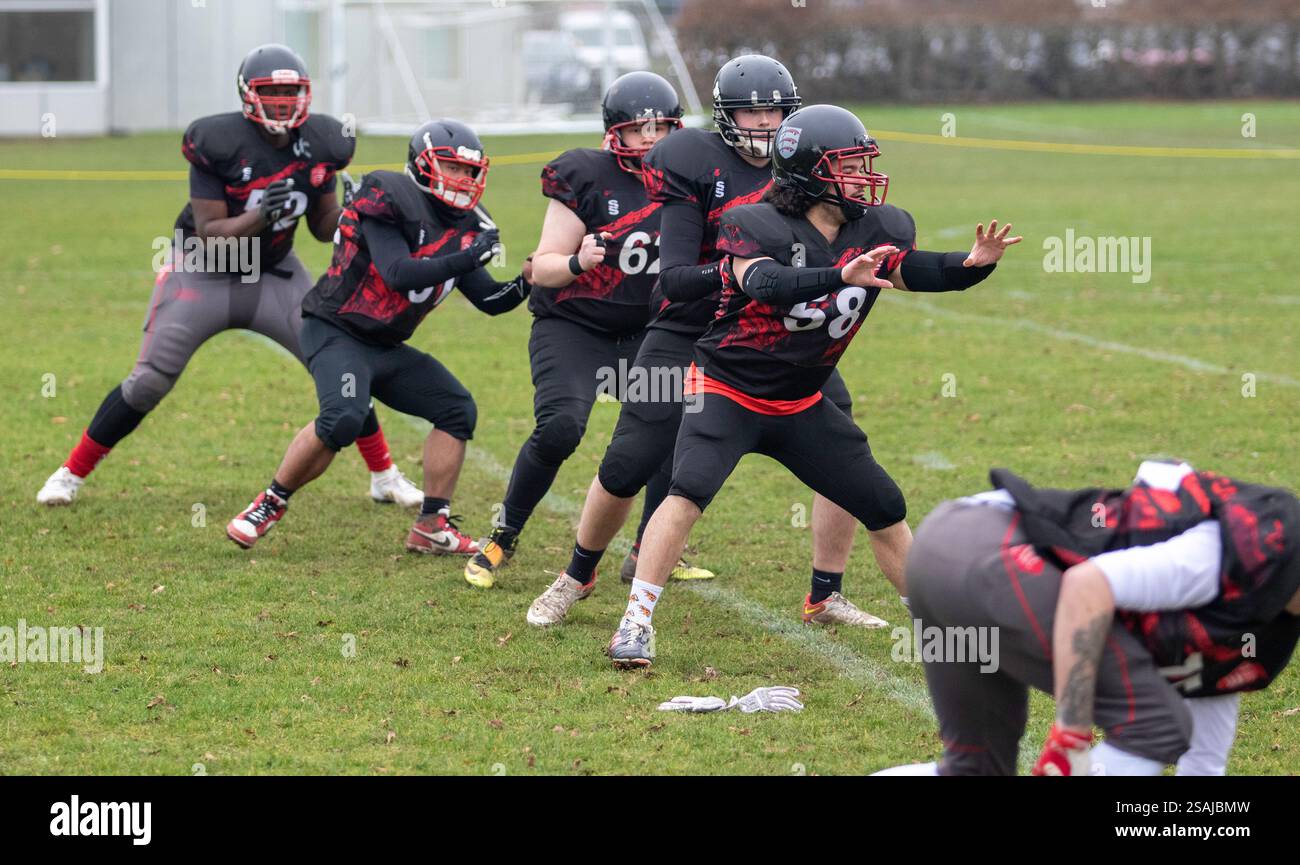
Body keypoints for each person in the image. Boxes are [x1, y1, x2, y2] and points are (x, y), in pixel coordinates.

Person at [605, 104, 1020, 667]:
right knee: (688, 491)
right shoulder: (754, 222)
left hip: (802, 401)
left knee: (883, 504)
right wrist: (838, 275)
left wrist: (972, 265)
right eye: (848, 166)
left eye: (862, 163)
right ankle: (634, 623)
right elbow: (766, 282)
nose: (862, 176)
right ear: (809, 173)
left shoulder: (877, 227)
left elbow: (914, 269)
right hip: (728, 389)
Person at [528, 55, 875, 628]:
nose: (764, 123)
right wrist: (740, 272)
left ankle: (825, 593)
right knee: (630, 458)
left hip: (767, 332)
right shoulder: (693, 161)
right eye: (751, 112)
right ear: (724, 115)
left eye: (775, 113)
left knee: (843, 444)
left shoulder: (802, 168)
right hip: (688, 326)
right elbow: (673, 278)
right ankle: (576, 574)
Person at [35, 44, 420, 509]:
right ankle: (70, 472)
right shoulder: (216, 141)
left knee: (342, 370)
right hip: (205, 270)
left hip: (274, 273)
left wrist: (348, 216)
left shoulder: (323, 142)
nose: (283, 102)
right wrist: (261, 215)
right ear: (247, 95)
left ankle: (384, 475)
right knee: (149, 381)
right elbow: (210, 230)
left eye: (291, 92)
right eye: (272, 91)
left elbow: (321, 226)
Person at [875, 459, 1300, 776]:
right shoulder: (1232, 555)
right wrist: (1072, 729)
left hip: (942, 550)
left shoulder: (1266, 614)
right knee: (1154, 722)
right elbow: (1088, 585)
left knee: (975, 770)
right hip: (989, 550)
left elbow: (1205, 762)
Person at [224, 119, 532, 553]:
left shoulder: (464, 226)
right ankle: (269, 503)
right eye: (452, 167)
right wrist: (466, 259)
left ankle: (431, 526)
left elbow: (490, 300)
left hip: (384, 346)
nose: (463, 179)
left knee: (456, 409)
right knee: (344, 417)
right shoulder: (389, 195)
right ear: (422, 165)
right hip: (336, 330)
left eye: (469, 171)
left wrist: (529, 281)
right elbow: (397, 273)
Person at [462, 72, 682, 589]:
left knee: (670, 423)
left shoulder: (685, 179)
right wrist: (579, 262)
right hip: (574, 327)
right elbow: (542, 267)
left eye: (660, 127)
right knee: (561, 427)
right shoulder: (584, 174)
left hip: (644, 332)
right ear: (615, 132)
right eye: (639, 128)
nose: (650, 138)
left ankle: (648, 549)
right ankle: (503, 534)